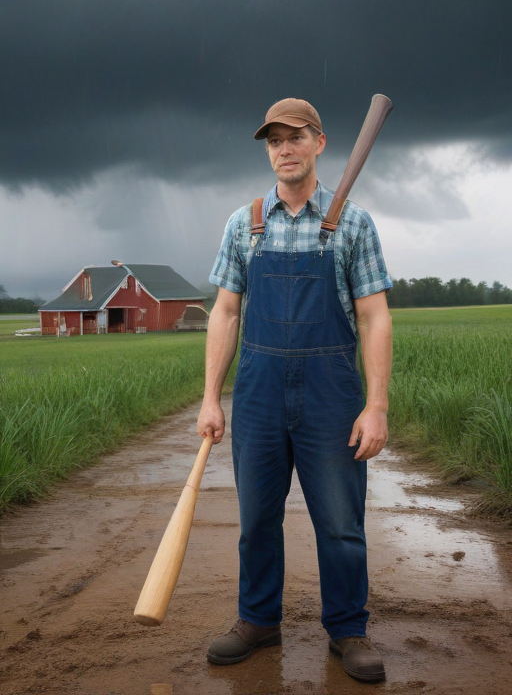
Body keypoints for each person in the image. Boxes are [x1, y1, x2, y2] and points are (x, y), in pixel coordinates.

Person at [197, 98, 393, 683]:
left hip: (330, 392)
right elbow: (226, 313)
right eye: (274, 139)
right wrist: (211, 396)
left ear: (319, 143)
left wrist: (376, 406)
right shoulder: (244, 223)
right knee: (257, 517)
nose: (284, 148)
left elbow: (374, 318)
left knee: (338, 518)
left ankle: (347, 629)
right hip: (257, 391)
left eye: (296, 136)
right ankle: (258, 619)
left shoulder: (351, 222)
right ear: (268, 150)